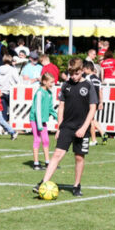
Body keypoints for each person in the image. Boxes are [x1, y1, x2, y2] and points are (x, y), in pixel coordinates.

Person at [34, 58, 96, 197]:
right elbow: (61, 107)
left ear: (82, 71)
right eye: (71, 73)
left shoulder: (88, 85)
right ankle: (43, 183)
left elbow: (93, 108)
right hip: (67, 126)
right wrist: (59, 127)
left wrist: (84, 127)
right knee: (57, 154)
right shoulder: (66, 86)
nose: (73, 76)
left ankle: (76, 186)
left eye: (76, 73)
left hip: (82, 128)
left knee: (79, 157)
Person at [30, 72, 57, 169]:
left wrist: (57, 117)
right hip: (35, 120)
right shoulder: (40, 93)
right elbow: (37, 109)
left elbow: (50, 108)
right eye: (51, 82)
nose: (52, 84)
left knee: (46, 140)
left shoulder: (49, 93)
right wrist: (39, 124)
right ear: (44, 82)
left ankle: (47, 162)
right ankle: (36, 163)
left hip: (43, 120)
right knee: (37, 140)